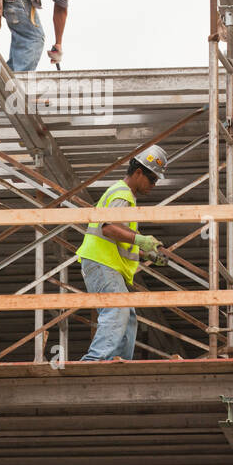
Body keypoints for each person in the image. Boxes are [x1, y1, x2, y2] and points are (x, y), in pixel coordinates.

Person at [77, 145, 169, 361]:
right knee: (117, 309)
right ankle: (96, 361)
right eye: (152, 179)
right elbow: (108, 228)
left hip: (105, 264)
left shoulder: (124, 195)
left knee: (127, 316)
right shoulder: (122, 193)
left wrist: (146, 253)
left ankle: (119, 362)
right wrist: (141, 239)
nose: (154, 185)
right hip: (101, 263)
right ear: (138, 173)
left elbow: (120, 237)